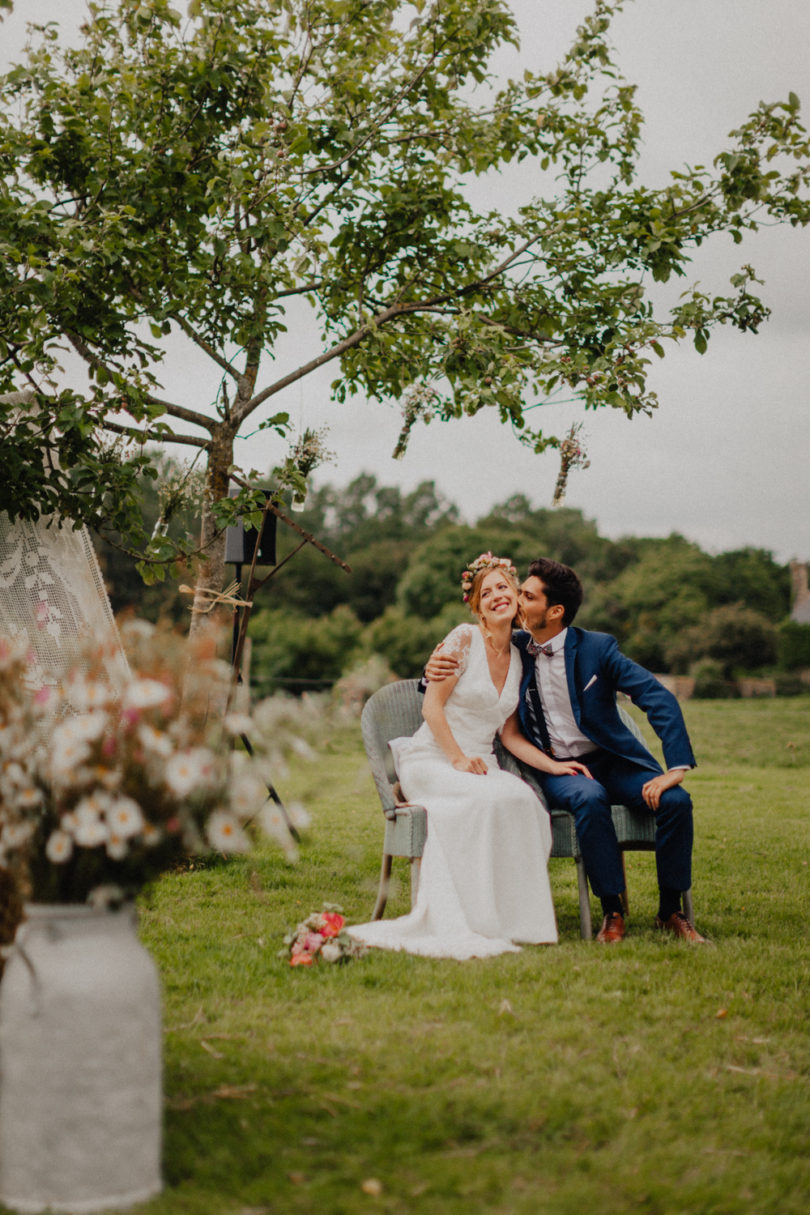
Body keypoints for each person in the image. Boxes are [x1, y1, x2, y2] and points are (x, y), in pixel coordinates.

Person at [425, 557, 706, 945]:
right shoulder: (517, 645)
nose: (517, 600)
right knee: (589, 798)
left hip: (612, 761)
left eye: (526, 595)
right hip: (559, 767)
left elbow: (656, 697)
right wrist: (434, 664)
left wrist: (676, 766)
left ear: (555, 611)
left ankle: (670, 911)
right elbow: (473, 654)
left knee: (676, 800)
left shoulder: (598, 649)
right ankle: (612, 910)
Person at [348, 554, 591, 960]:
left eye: (503, 588)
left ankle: (516, 922)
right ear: (476, 606)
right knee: (487, 800)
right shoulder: (462, 639)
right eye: (486, 592)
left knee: (522, 801)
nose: (497, 595)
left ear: (516, 597)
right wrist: (457, 759)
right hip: (434, 758)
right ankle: (469, 920)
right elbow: (431, 709)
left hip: (481, 761)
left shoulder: (518, 657)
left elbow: (510, 735)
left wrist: (553, 765)